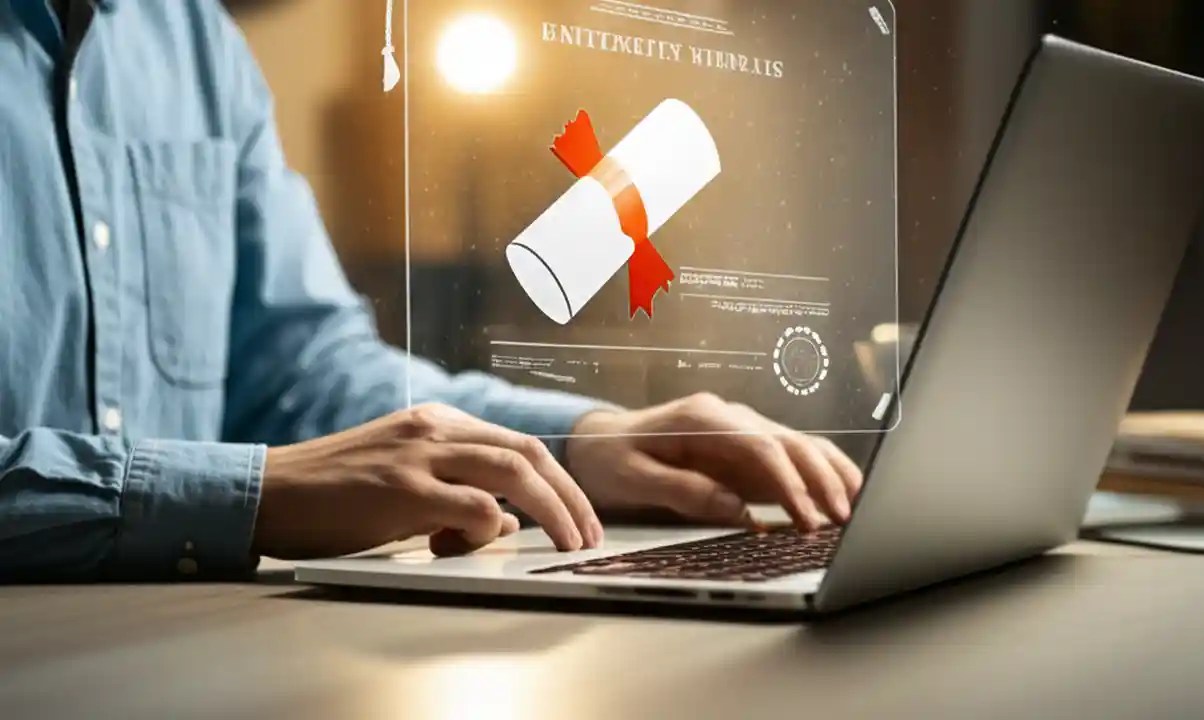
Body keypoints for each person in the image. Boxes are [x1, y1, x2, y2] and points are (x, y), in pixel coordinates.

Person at [0, 0, 861, 581]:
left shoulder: (191, 38)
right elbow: (283, 458)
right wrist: (252, 495)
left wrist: (578, 441)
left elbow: (305, 372)